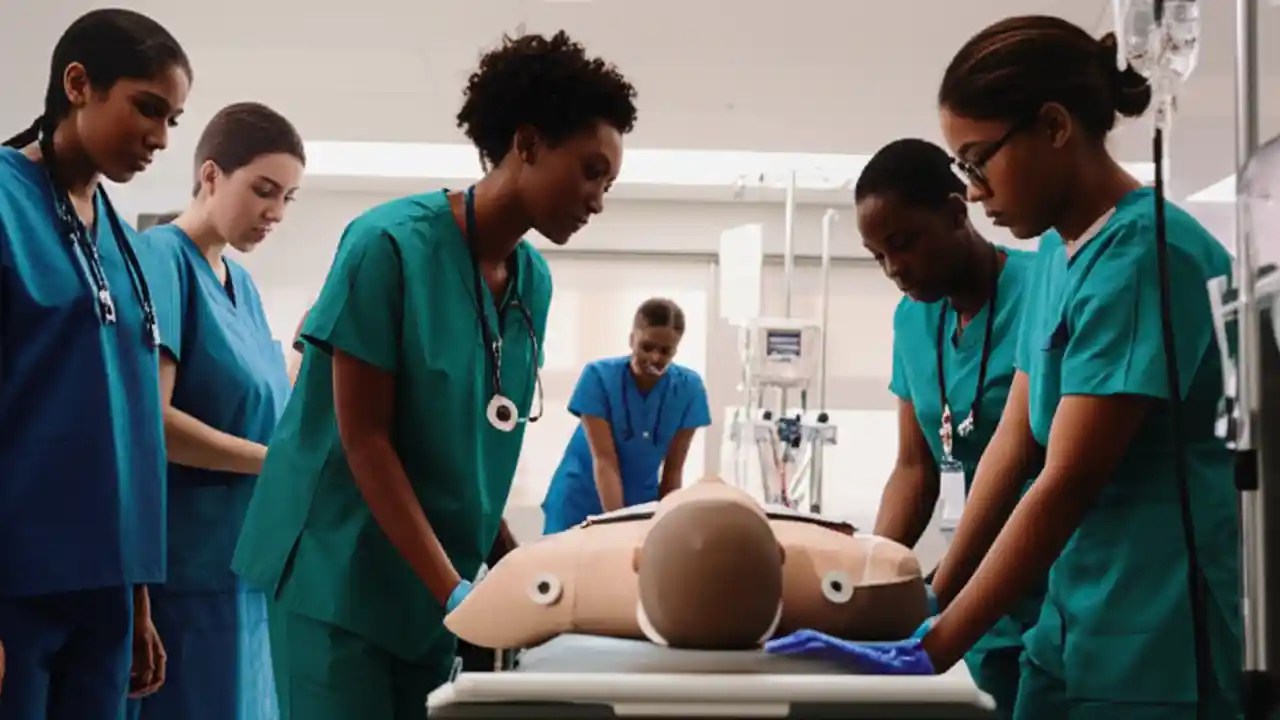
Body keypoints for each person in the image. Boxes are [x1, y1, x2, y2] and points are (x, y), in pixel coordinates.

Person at [230, 30, 638, 719]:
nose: (598, 198)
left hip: (427, 587)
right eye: (591, 171)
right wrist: (456, 589)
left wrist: (520, 573)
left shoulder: (531, 281)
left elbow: (473, 452)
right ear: (529, 144)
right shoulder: (387, 244)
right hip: (337, 571)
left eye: (609, 183)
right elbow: (365, 440)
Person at [884, 15, 1238, 719]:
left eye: (979, 160)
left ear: (1053, 127)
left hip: (1157, 643)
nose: (974, 189)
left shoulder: (1147, 256)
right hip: (1071, 625)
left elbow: (1065, 481)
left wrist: (932, 650)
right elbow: (1013, 450)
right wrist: (927, 604)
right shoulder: (1056, 255)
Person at [0, 8, 191, 718]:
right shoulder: (4, 203)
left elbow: (132, 426)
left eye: (173, 119)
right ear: (77, 84)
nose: (160, 138)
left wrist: (138, 599)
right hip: (16, 591)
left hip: (107, 599)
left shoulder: (122, 240)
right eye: (147, 108)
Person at [126, 102, 305, 720]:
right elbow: (154, 421)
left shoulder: (243, 287)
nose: (275, 213)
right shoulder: (160, 258)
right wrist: (278, 464)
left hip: (249, 573)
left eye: (288, 197)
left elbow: (257, 411)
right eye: (263, 190)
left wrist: (308, 360)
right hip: (189, 575)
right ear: (209, 175)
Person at [858, 138, 1044, 717]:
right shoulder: (913, 319)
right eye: (877, 256)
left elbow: (1023, 458)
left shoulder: (1044, 288)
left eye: (903, 243)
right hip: (973, 586)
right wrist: (870, 584)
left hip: (1052, 577)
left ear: (957, 211)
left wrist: (939, 590)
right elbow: (915, 469)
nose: (894, 269)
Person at [541, 298, 712, 534]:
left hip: (641, 507)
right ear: (632, 339)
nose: (655, 358)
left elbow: (673, 470)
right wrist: (617, 527)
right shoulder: (598, 377)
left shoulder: (689, 388)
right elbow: (604, 460)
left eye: (666, 351)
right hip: (580, 501)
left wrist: (666, 526)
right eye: (647, 347)